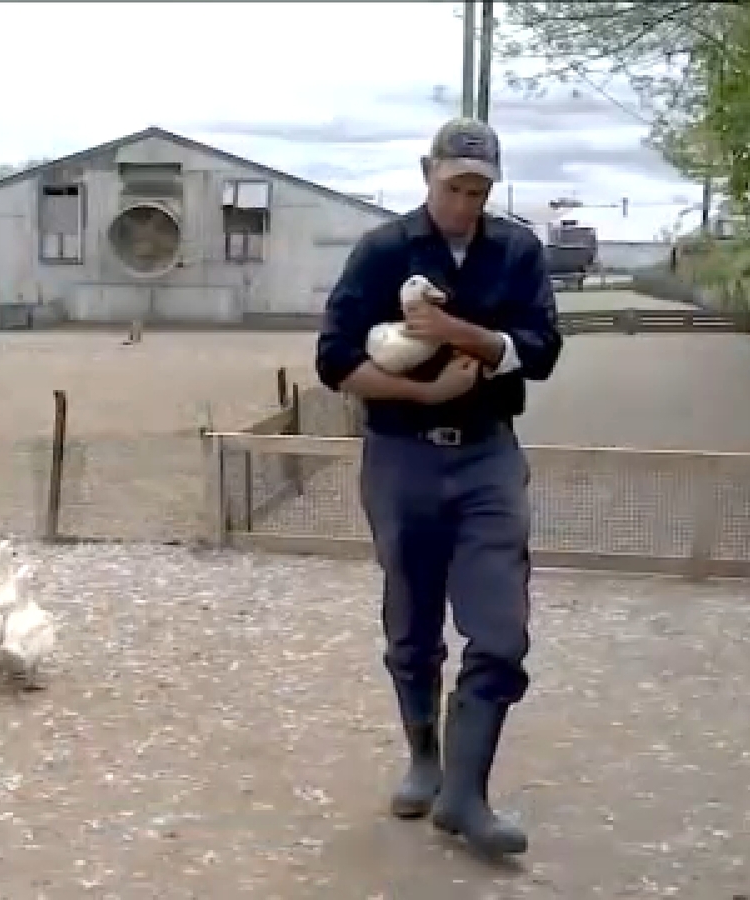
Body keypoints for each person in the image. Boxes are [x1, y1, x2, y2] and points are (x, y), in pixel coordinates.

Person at [313, 117, 562, 859]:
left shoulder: (517, 251)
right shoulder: (383, 250)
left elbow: (542, 352)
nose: (465, 202)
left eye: (479, 190)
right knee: (412, 624)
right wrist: (421, 396)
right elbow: (333, 357)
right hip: (401, 457)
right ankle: (425, 759)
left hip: (488, 456)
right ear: (428, 173)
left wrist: (457, 331)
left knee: (501, 630)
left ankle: (465, 792)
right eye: (455, 187)